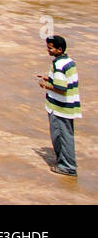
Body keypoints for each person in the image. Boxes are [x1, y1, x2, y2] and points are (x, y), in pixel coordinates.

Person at [37, 35, 79, 177]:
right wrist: (50, 78)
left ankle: (67, 167)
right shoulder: (69, 61)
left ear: (59, 49)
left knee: (61, 136)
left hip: (60, 107)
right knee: (66, 135)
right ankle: (67, 162)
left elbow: (61, 87)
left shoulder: (58, 65)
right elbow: (65, 80)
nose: (48, 51)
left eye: (50, 48)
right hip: (68, 106)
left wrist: (46, 86)